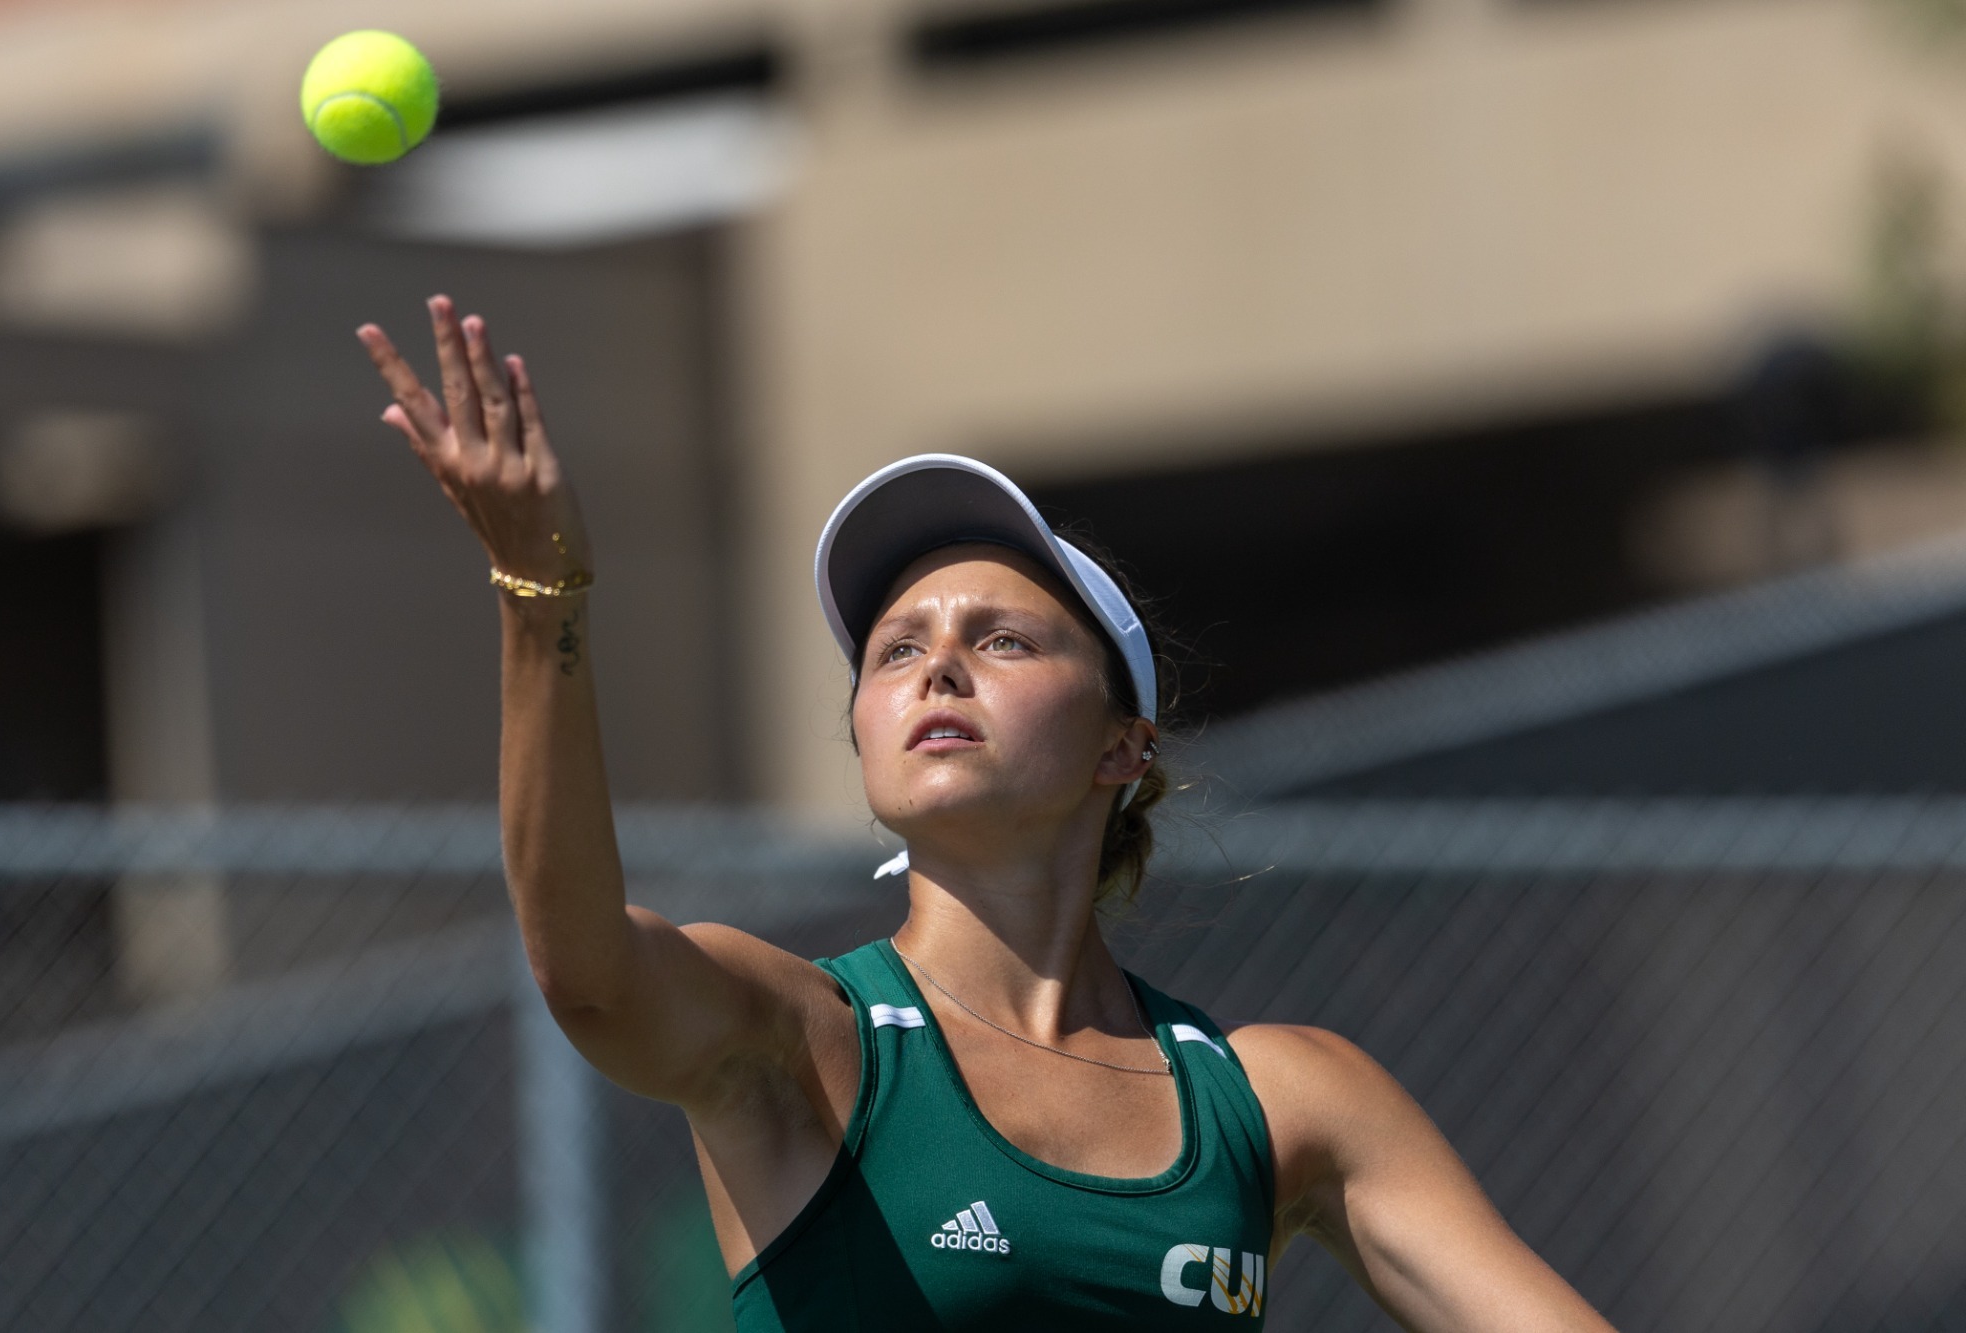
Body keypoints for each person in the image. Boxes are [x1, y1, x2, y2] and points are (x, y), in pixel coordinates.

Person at [357, 296, 1619, 1332]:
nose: (934, 669)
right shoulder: (807, 1038)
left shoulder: (1283, 1098)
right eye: (894, 651)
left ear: (1123, 745)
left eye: (1001, 638)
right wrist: (541, 596)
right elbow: (583, 971)